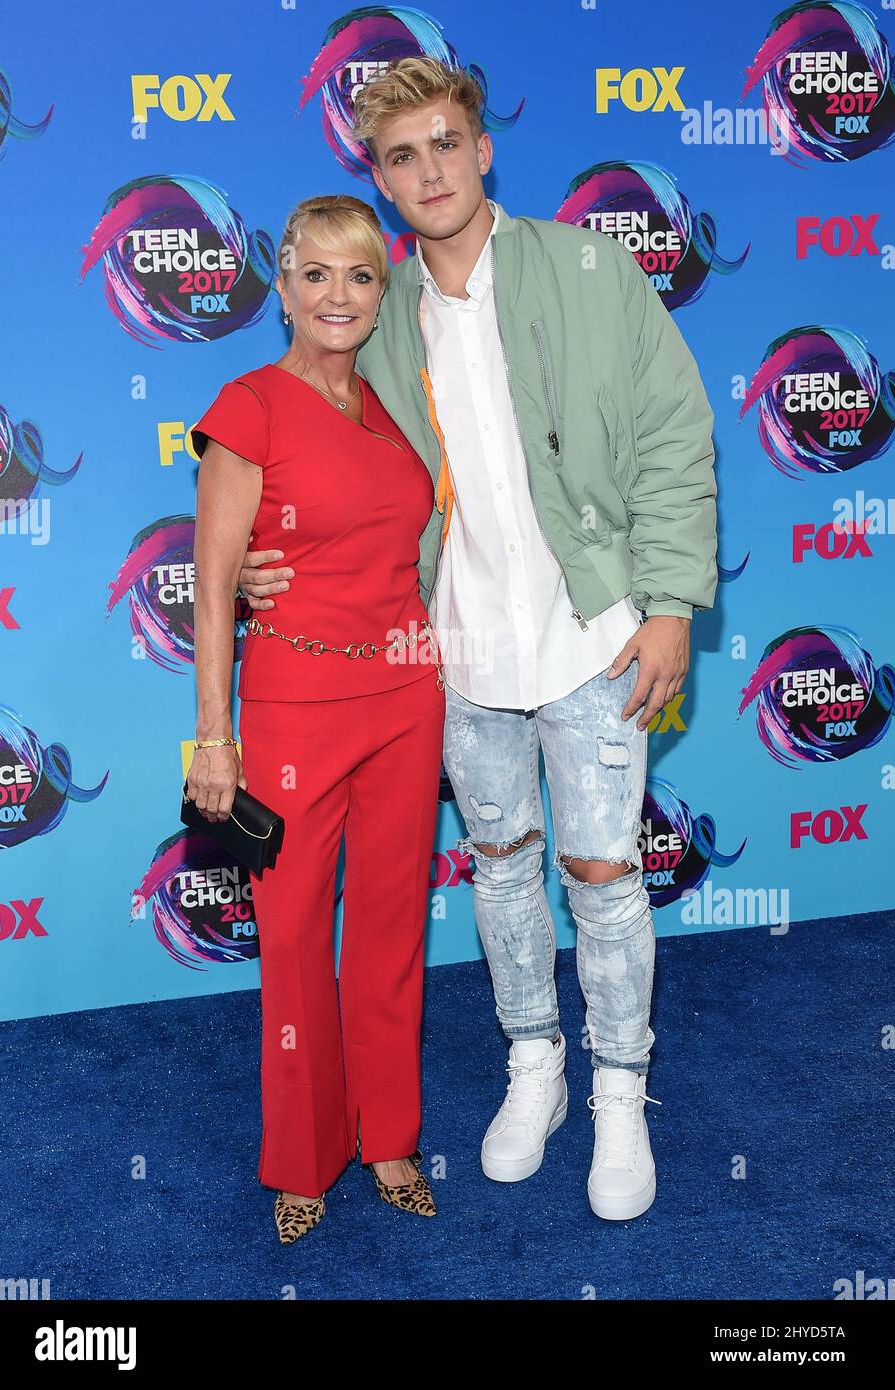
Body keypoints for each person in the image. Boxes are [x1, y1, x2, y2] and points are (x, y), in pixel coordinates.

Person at [237, 58, 718, 1222]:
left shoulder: (588, 266)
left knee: (602, 877)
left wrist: (666, 604)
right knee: (498, 868)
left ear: (483, 148)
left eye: (445, 143)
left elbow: (673, 428)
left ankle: (616, 1090)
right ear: (379, 174)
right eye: (401, 155)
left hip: (597, 633)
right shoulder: (382, 307)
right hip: (450, 650)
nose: (428, 170)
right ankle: (534, 1066)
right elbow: (323, 448)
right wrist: (260, 554)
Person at [187, 193, 447, 1244]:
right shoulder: (248, 404)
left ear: (382, 295)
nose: (337, 295)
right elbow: (212, 585)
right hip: (294, 701)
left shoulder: (391, 406)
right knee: (294, 937)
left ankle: (387, 1134)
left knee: (388, 929)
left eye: (360, 275)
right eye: (315, 274)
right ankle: (302, 1156)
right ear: (282, 286)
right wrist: (214, 734)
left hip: (407, 695)